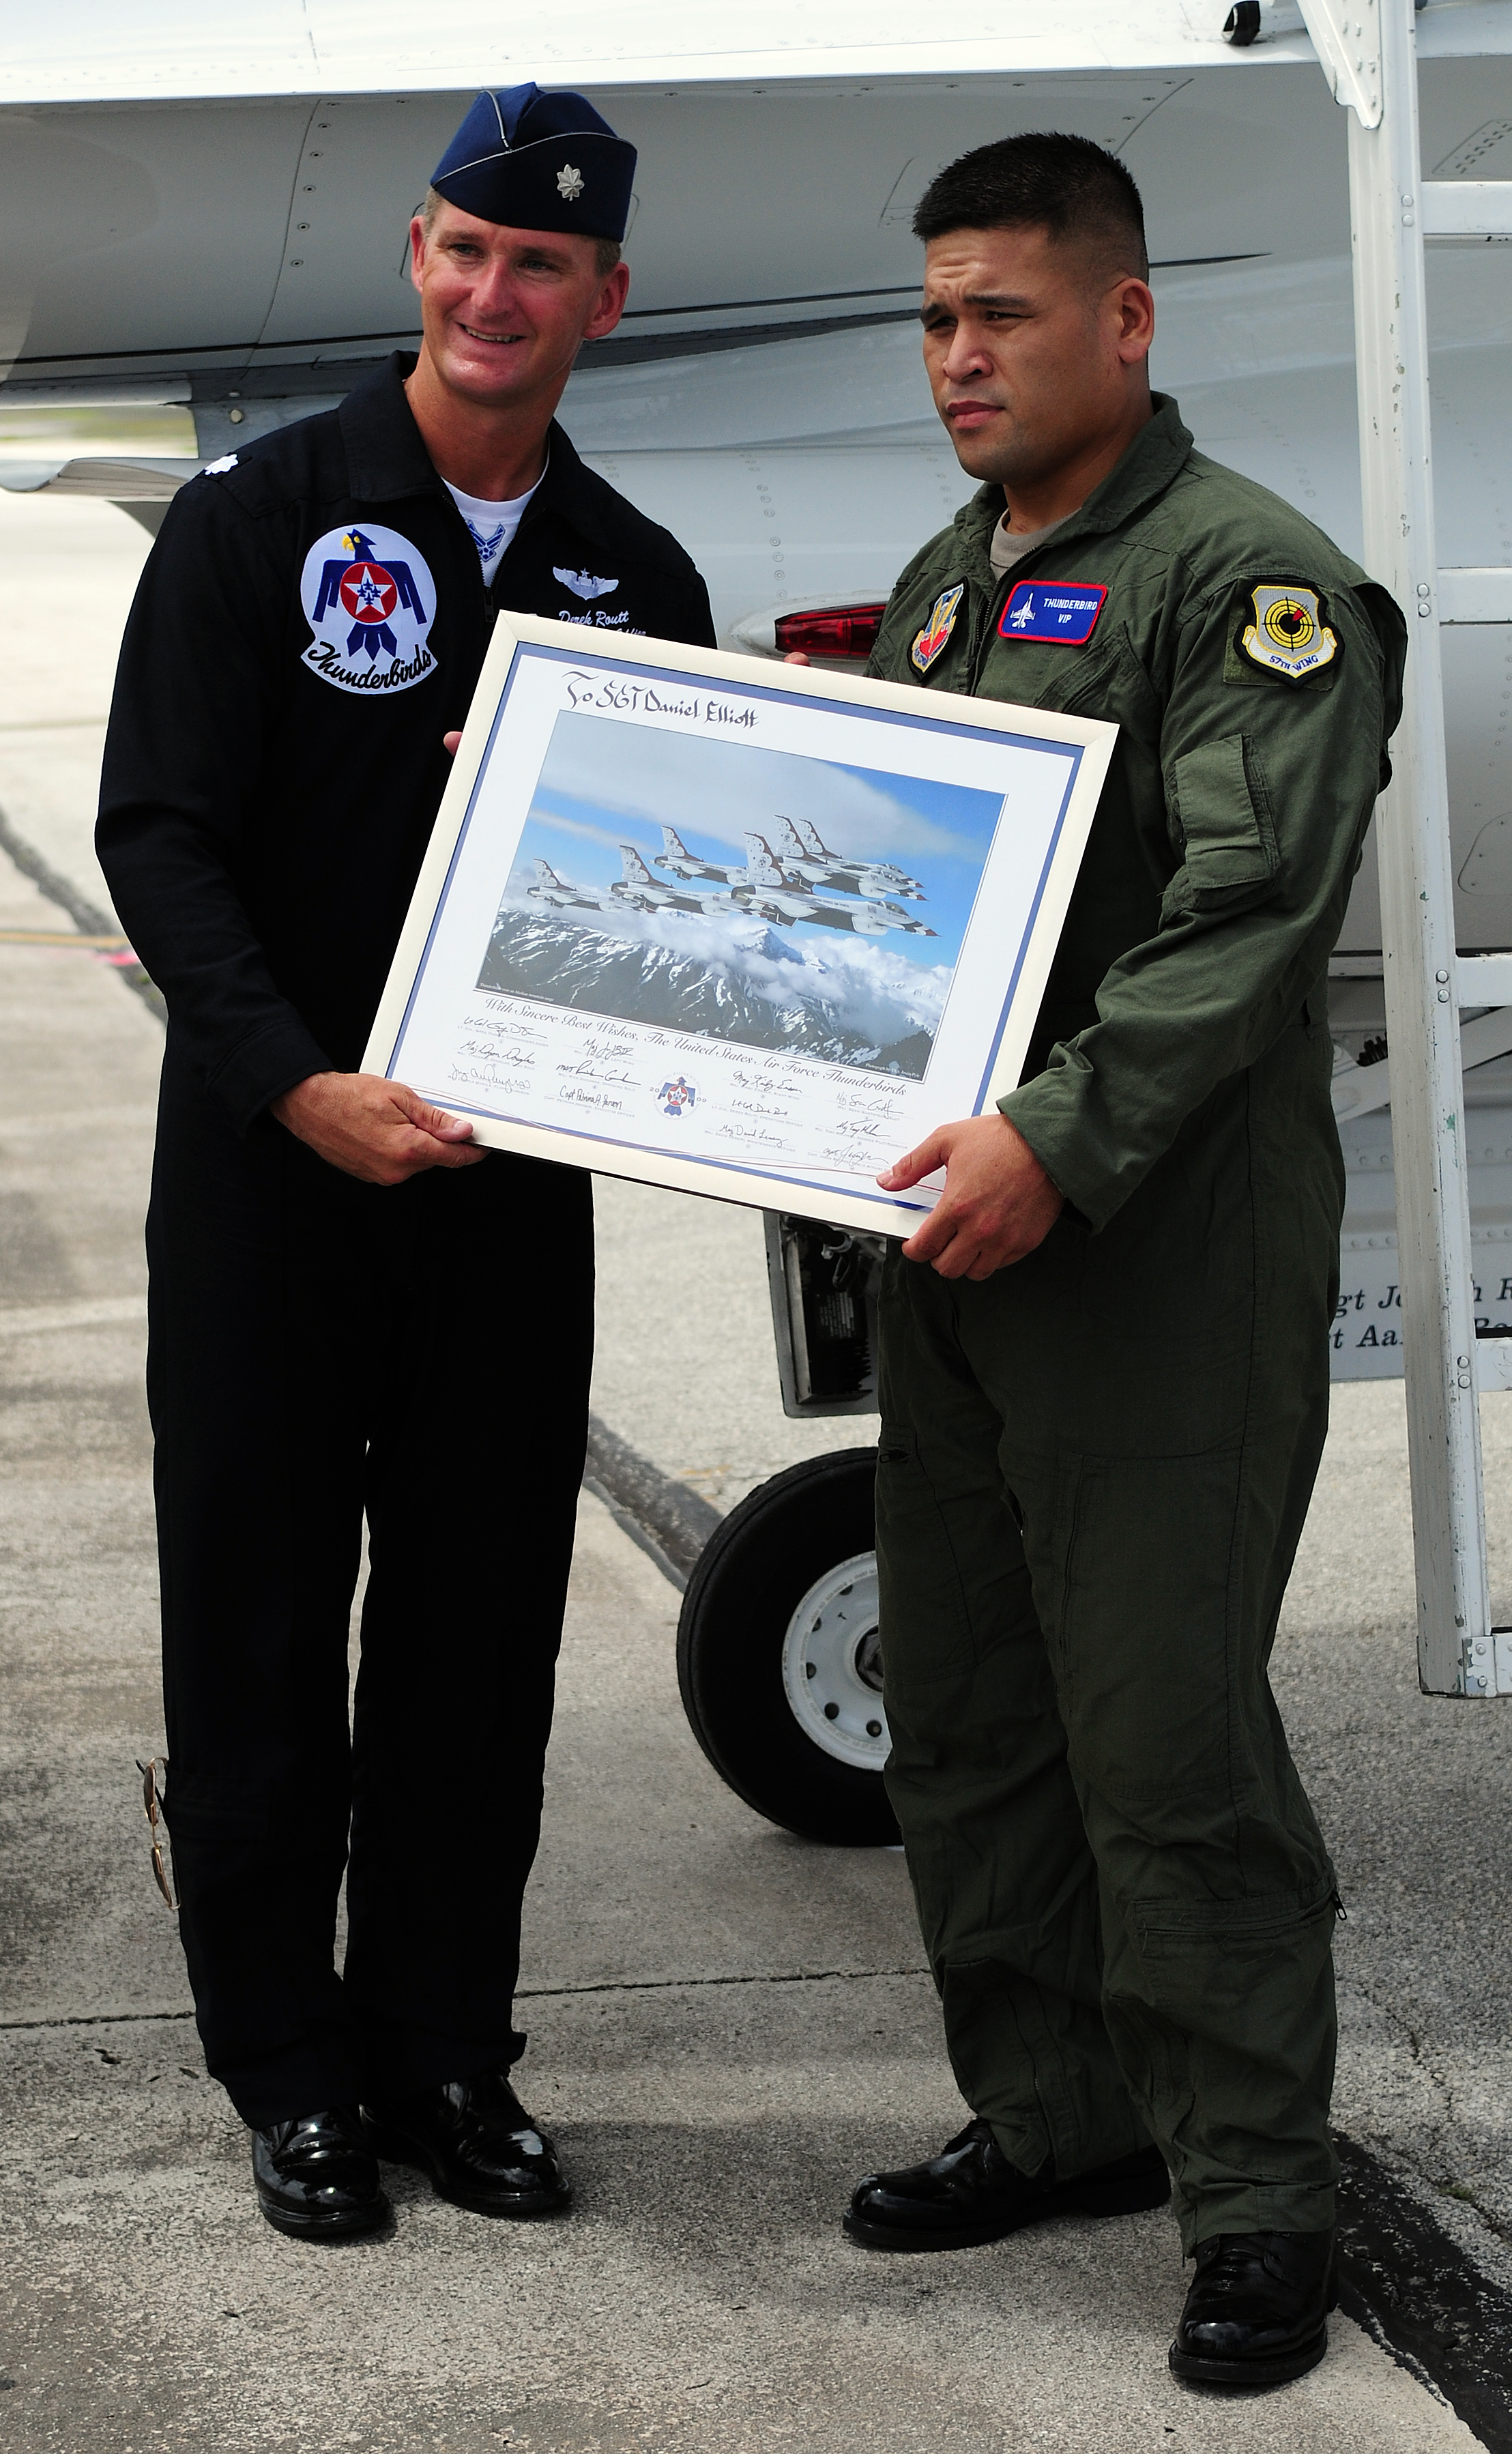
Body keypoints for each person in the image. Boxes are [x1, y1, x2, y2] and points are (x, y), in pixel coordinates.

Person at [97, 83, 715, 2242]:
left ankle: (446, 2048)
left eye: (539, 263)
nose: (491, 290)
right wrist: (297, 1084)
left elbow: (697, 911)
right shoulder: (255, 525)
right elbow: (158, 841)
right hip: (276, 1189)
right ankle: (290, 2070)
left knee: (477, 1642)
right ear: (417, 264)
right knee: (258, 1636)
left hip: (504, 1209)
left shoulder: (637, 583)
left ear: (603, 302)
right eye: (463, 248)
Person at [839, 132, 1406, 2388]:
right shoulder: (948, 582)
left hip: (1150, 1246)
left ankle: (1259, 2192)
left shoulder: (1248, 583)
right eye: (936, 318)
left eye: (1002, 314)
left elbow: (1239, 931)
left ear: (1125, 319)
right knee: (969, 1715)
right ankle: (1057, 2116)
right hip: (958, 1246)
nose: (959, 357)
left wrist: (1054, 1144)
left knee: (1164, 1737)